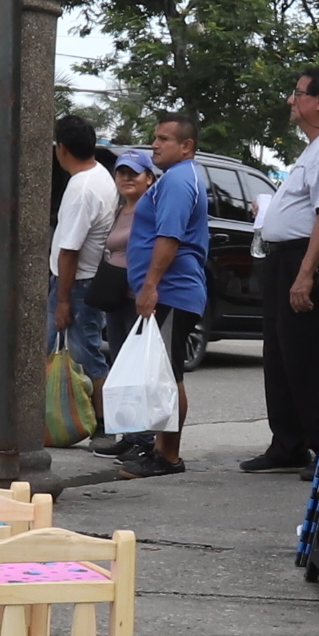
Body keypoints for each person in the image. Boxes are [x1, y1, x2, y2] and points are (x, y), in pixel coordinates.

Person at [241, 70, 319, 473]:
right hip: (285, 257)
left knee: (314, 359)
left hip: (312, 260)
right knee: (281, 356)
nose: (291, 101)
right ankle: (288, 442)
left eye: (298, 93)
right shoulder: (315, 149)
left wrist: (306, 273)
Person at [119, 115, 212, 478]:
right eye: (154, 138)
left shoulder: (177, 180)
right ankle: (160, 448)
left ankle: (168, 456)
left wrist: (151, 285)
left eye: (164, 139)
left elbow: (169, 237)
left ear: (186, 146)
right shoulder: (174, 178)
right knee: (162, 372)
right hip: (168, 290)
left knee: (168, 374)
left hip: (172, 291)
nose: (154, 145)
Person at [47, 112, 118, 360]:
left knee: (86, 359)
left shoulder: (82, 189)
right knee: (60, 355)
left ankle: (101, 400)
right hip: (85, 281)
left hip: (77, 285)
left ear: (62, 149)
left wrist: (63, 301)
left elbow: (70, 250)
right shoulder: (100, 174)